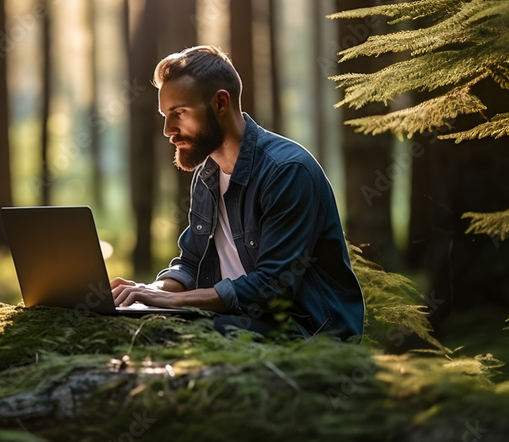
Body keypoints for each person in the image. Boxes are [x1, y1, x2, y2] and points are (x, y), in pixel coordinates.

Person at [111, 45, 364, 339]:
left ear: (220, 103)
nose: (168, 129)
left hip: (307, 333)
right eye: (165, 115)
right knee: (132, 326)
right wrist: (147, 293)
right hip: (241, 322)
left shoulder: (287, 171)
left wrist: (172, 302)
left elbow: (271, 288)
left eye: (180, 112)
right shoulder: (207, 174)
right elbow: (192, 263)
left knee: (168, 335)